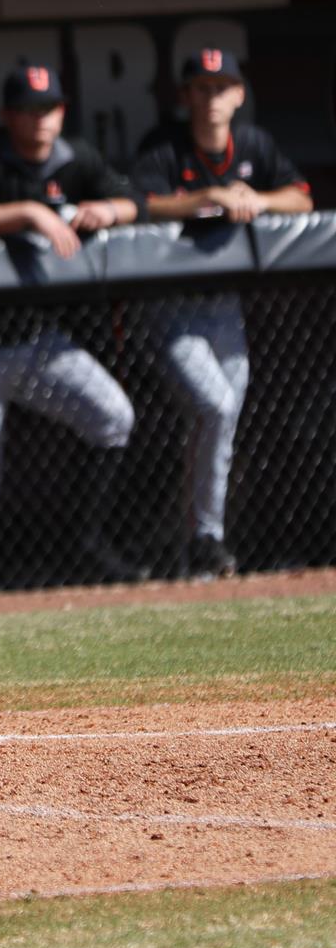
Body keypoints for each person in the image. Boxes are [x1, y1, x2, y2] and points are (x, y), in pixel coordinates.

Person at [0, 64, 145, 586]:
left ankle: (85, 543)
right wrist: (30, 211)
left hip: (35, 339)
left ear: (61, 111)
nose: (40, 120)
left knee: (112, 416)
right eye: (29, 110)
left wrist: (108, 210)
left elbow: (134, 199)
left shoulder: (76, 156)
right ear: (9, 115)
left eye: (48, 108)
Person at [128, 48, 312, 578]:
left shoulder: (253, 145)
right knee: (215, 406)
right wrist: (206, 196)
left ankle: (202, 537)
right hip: (166, 304)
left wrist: (255, 199)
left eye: (221, 87)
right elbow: (137, 202)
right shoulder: (164, 146)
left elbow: (300, 198)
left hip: (223, 305)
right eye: (201, 88)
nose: (211, 98)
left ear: (238, 94)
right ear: (185, 97)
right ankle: (204, 536)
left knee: (222, 416)